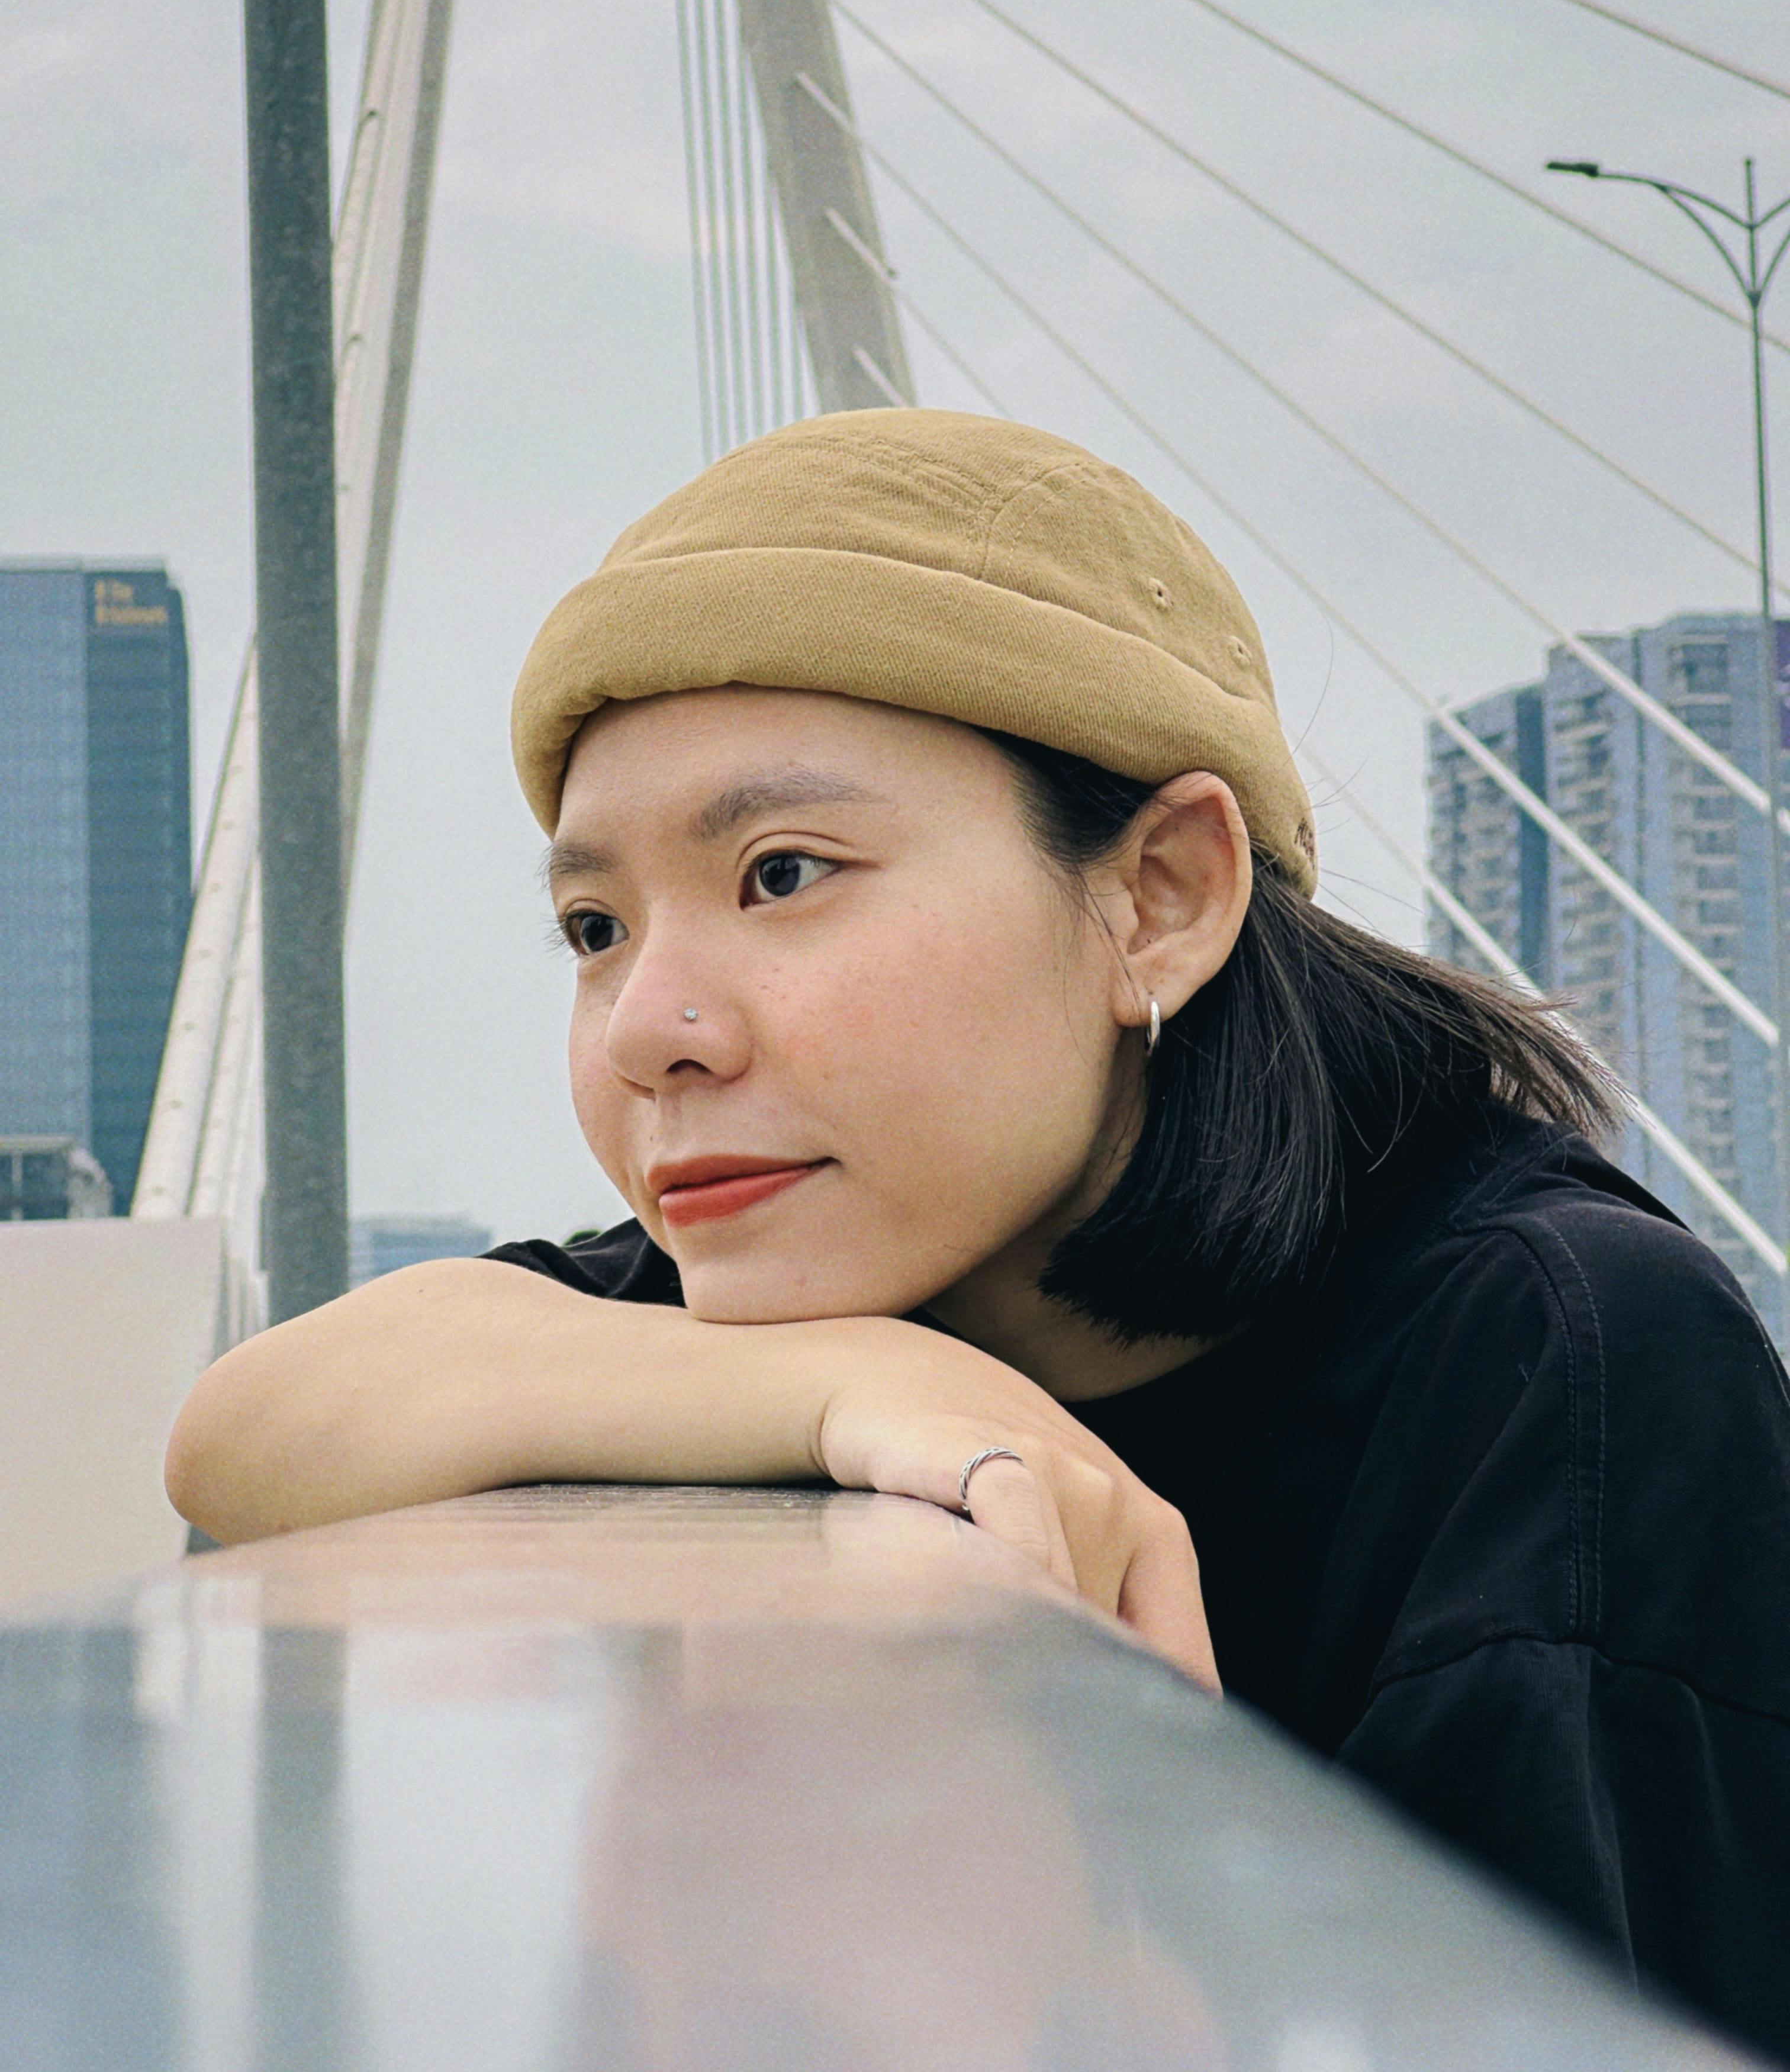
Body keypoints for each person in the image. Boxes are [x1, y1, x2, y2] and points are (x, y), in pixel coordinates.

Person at [168, 410, 1790, 2060]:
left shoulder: (1553, 1353)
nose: (648, 1027)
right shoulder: (816, 1284)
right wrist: (855, 1384)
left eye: (782, 874)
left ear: (1160, 897)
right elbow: (244, 1433)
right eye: (596, 927)